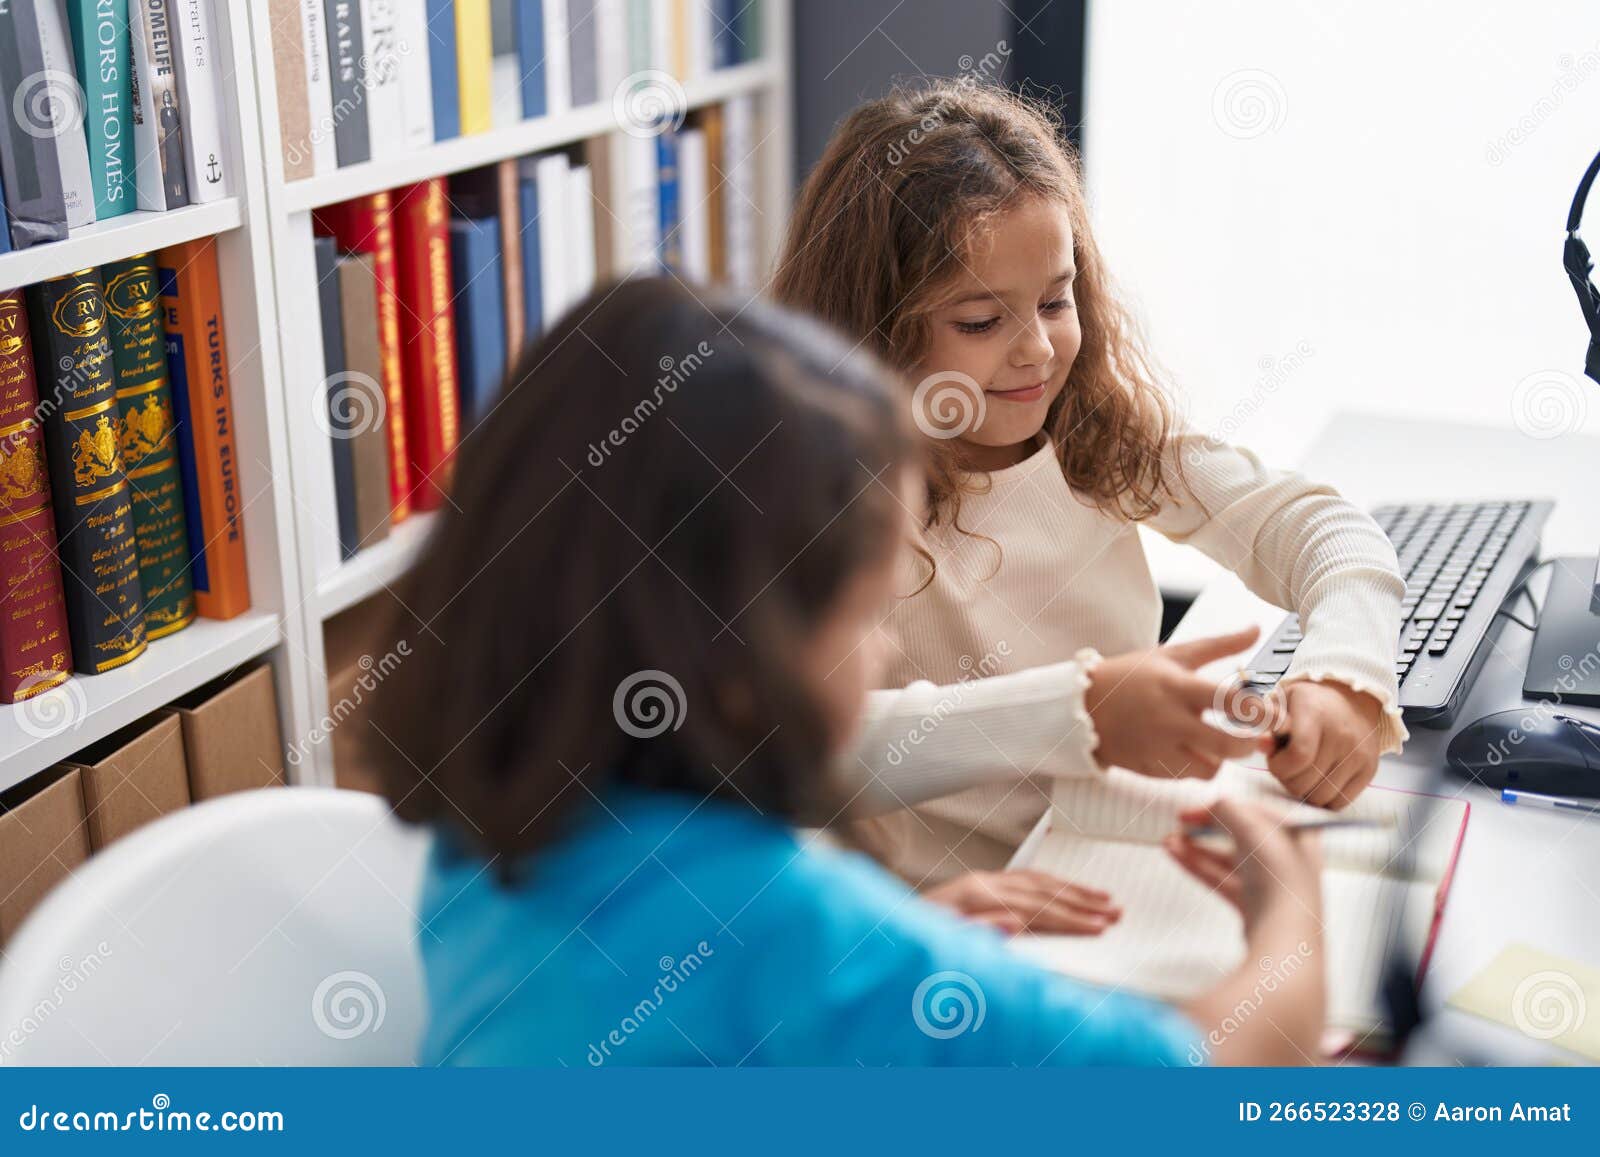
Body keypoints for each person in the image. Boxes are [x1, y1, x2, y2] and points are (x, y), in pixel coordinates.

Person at [366, 278, 1326, 1066]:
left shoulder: (485, 835)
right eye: (866, 614)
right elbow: (1209, 1079)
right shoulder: (789, 930)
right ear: (733, 652)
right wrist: (1292, 912)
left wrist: (897, 948)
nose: (883, 652)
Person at [774, 80, 1407, 888]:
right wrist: (1079, 711)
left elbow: (1325, 530)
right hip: (961, 910)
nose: (1037, 349)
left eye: (1055, 300)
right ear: (873, 325)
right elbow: (811, 748)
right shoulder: (832, 505)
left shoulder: (1094, 442)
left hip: (1119, 855)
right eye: (980, 321)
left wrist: (1344, 675)